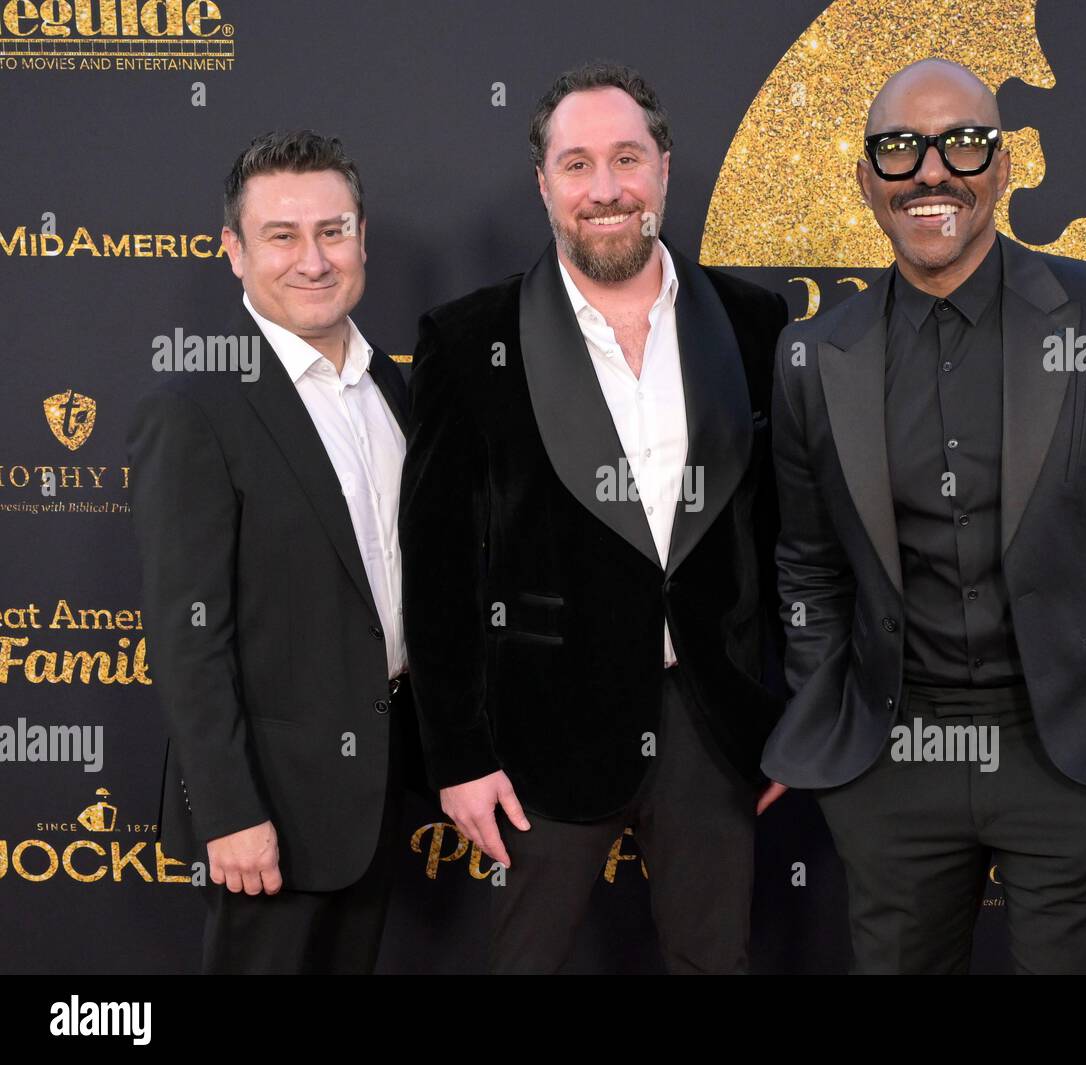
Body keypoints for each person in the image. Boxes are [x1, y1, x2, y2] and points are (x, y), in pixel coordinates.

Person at [761, 58, 1086, 974]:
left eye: (962, 144)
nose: (932, 171)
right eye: (900, 149)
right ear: (866, 180)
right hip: (895, 758)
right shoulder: (815, 355)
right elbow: (808, 560)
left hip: (1078, 755)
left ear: (1002, 168)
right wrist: (837, 729)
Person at [399, 62, 787, 973]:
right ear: (543, 183)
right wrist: (457, 754)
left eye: (626, 158)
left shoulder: (753, 323)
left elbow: (789, 539)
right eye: (577, 165)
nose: (605, 189)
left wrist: (793, 716)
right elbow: (440, 566)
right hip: (542, 729)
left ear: (664, 168)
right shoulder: (467, 341)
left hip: (711, 724)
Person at [128, 130, 421, 973]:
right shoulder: (195, 407)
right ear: (234, 251)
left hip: (373, 785)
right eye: (281, 236)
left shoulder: (388, 386)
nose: (314, 260)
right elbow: (188, 638)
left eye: (332, 231)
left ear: (362, 237)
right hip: (268, 807)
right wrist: (228, 813)